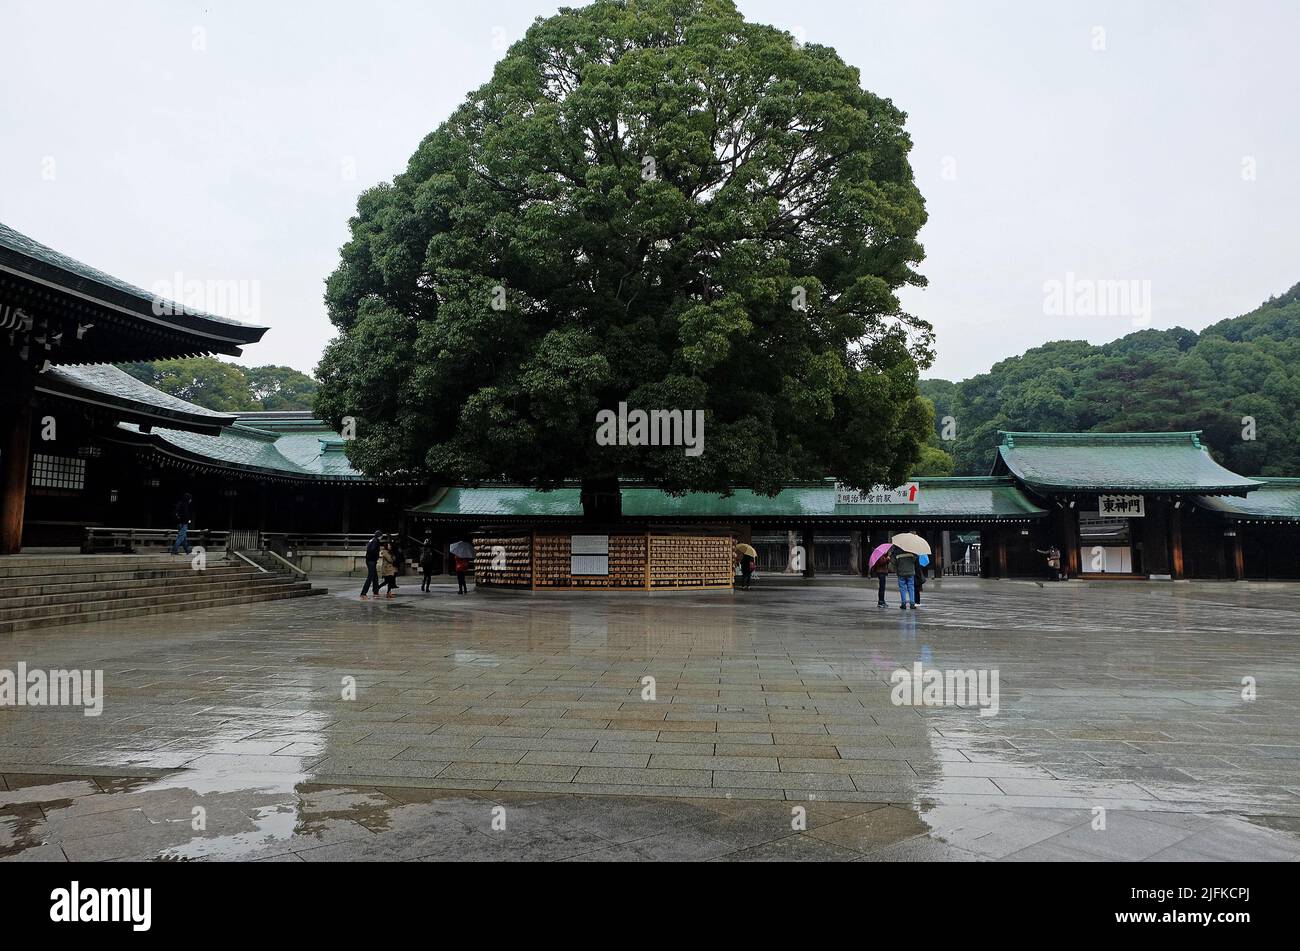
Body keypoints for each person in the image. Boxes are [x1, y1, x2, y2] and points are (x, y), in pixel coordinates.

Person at [360, 529, 382, 599]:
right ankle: (363, 593)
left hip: (369, 560)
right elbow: (372, 550)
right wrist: (376, 556)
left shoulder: (372, 540)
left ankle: (375, 591)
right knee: (370, 577)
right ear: (379, 536)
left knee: (375, 577)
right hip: (371, 561)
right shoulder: (376, 541)